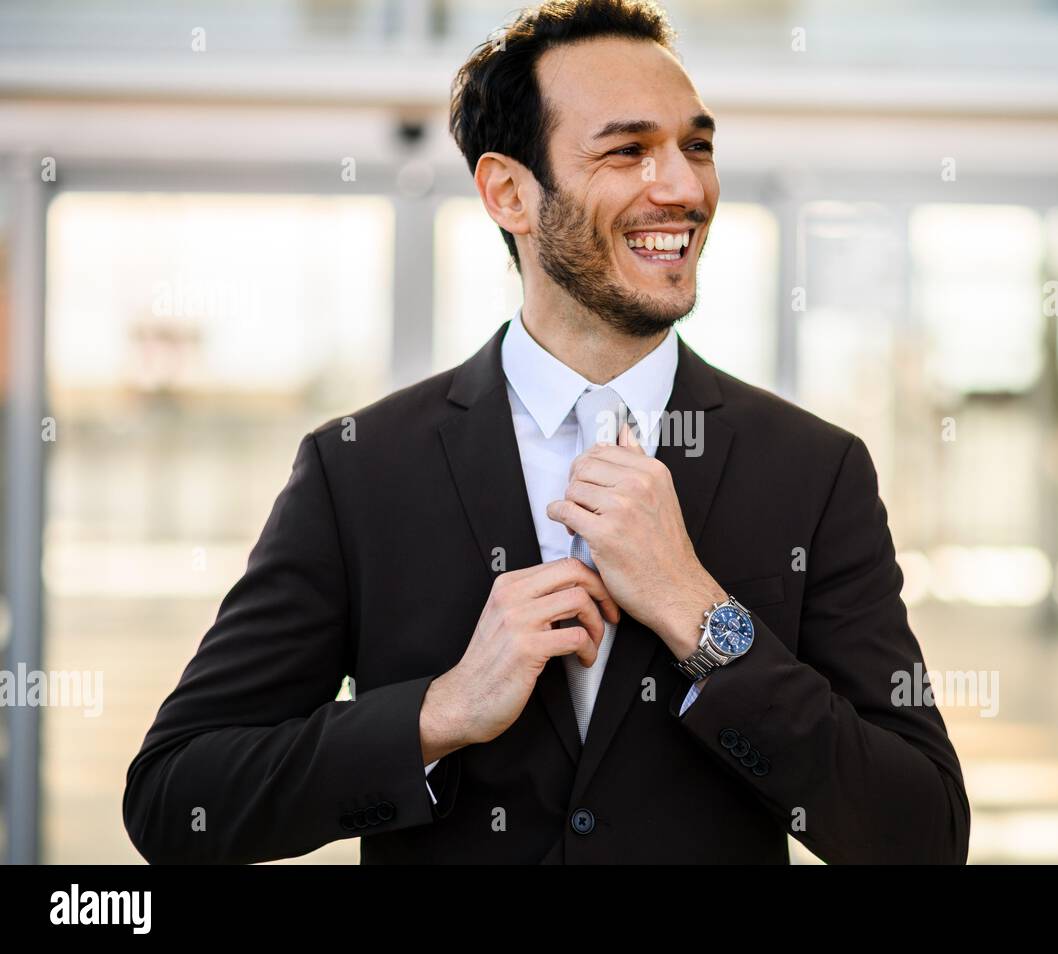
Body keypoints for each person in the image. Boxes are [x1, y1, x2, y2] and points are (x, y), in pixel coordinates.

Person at [123, 0, 969, 864]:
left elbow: (922, 834)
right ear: (510, 192)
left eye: (697, 146)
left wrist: (703, 615)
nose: (683, 186)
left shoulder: (814, 471)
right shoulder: (361, 469)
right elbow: (176, 795)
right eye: (628, 150)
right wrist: (439, 713)